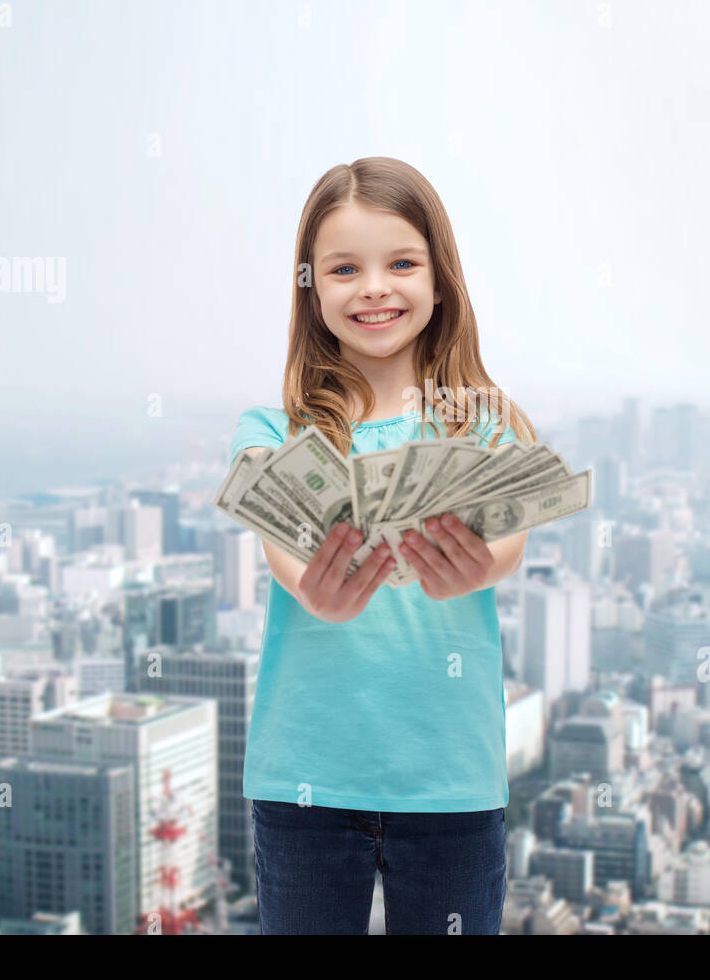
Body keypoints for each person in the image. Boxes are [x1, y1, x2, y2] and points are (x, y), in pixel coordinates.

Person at [230, 156, 537, 935]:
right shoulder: (272, 432)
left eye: (401, 262)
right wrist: (314, 589)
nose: (374, 287)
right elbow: (283, 554)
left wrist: (475, 563)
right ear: (312, 289)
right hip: (306, 781)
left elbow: (510, 541)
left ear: (441, 281)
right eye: (344, 268)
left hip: (452, 784)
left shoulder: (486, 425)